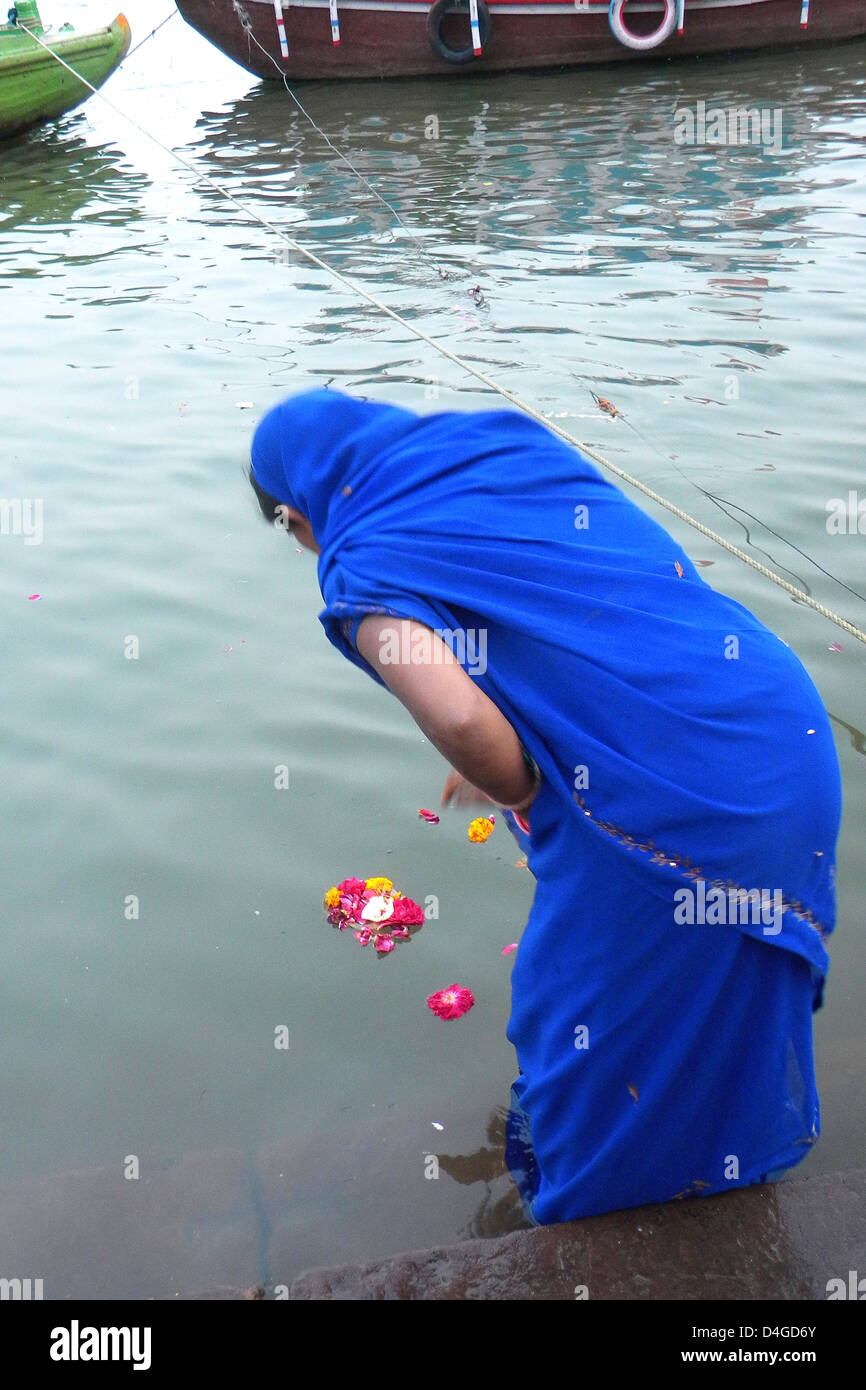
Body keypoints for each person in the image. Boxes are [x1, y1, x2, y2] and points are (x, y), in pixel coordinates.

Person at [248, 387, 842, 1224]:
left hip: (681, 801)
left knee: (578, 1025)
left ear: (297, 516)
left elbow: (456, 714)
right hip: (777, 731)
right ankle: (719, 1185)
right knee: (712, 992)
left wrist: (513, 778)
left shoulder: (360, 560)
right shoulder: (498, 444)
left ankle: (609, 1224)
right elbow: (584, 604)